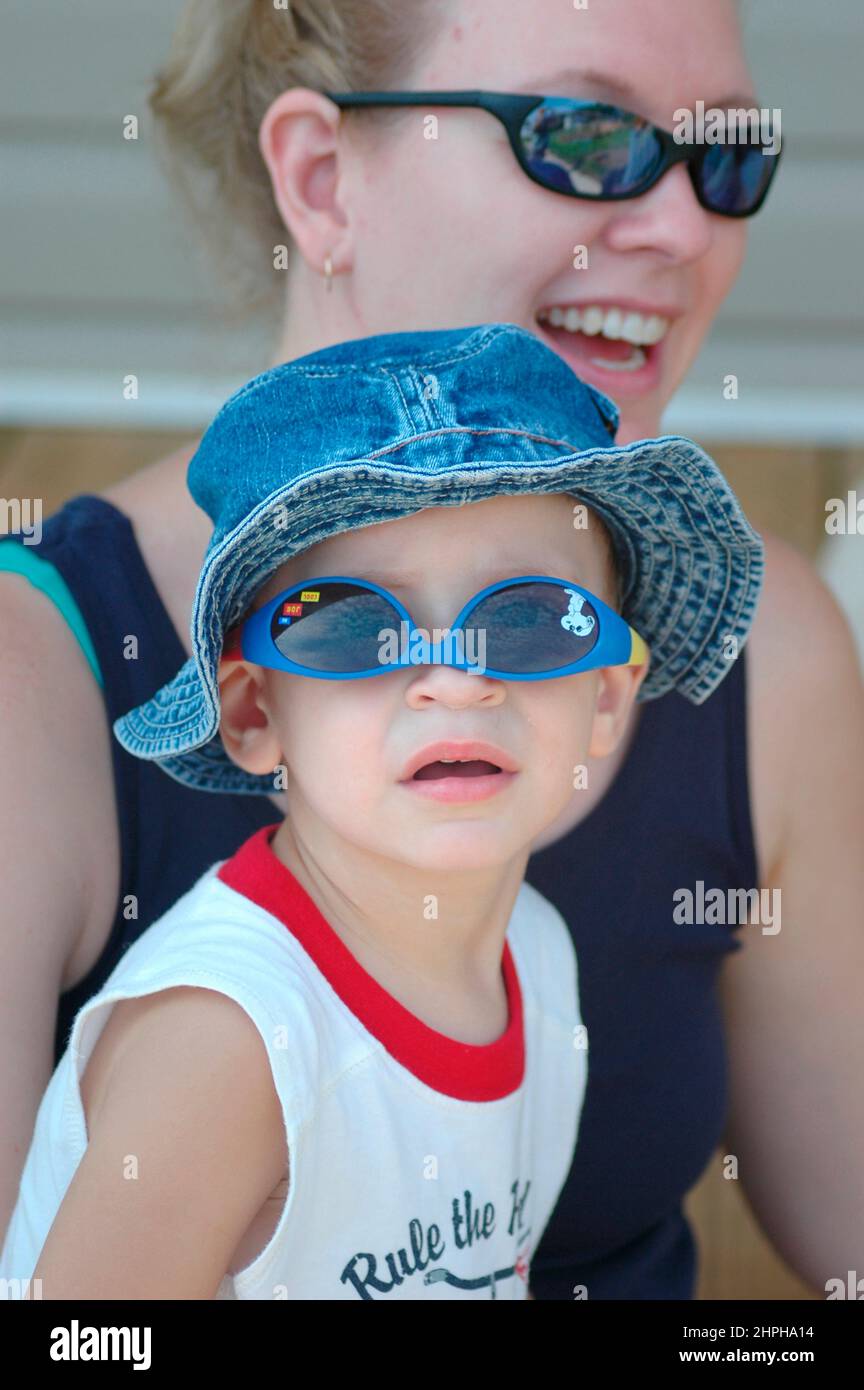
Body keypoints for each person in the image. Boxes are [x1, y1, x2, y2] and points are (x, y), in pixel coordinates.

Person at [1, 0, 861, 1299]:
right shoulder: (35, 681)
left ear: (619, 690)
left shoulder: (774, 649)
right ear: (320, 178)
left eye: (727, 156)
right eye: (583, 137)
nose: (688, 226)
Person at [0, 325, 764, 1299]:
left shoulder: (534, 954)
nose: (453, 679)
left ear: (607, 699)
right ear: (253, 710)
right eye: (355, 625)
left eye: (528, 617)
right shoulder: (233, 1043)